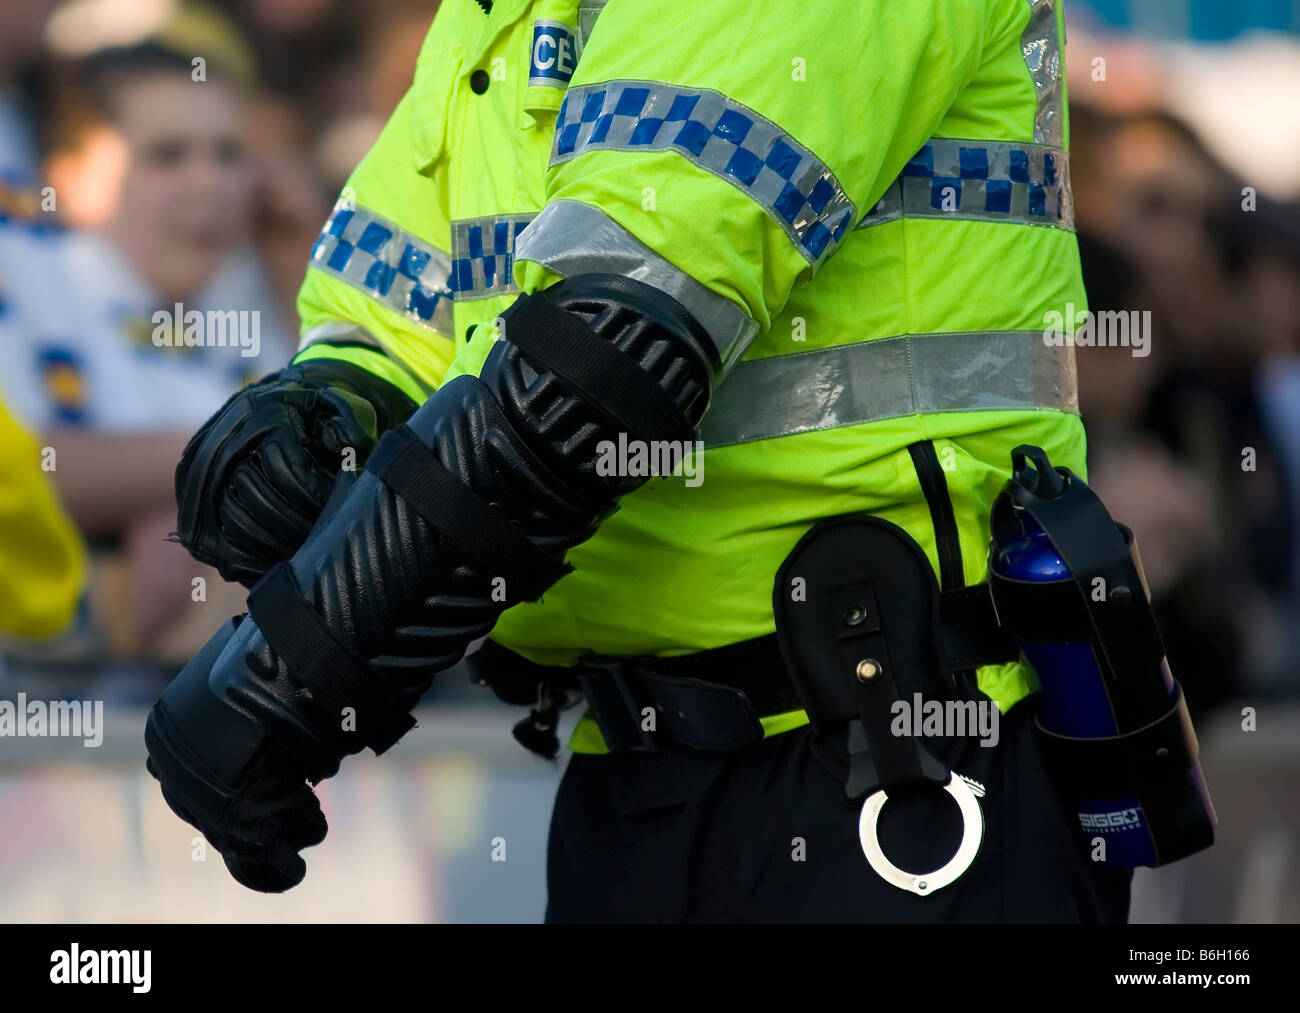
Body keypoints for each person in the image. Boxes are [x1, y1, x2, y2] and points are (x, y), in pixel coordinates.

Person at [147, 0, 1139, 922]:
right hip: (635, 767)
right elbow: (402, 324)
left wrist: (293, 673)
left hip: (890, 766)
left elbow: (607, 357)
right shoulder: (494, 19)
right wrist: (318, 425)